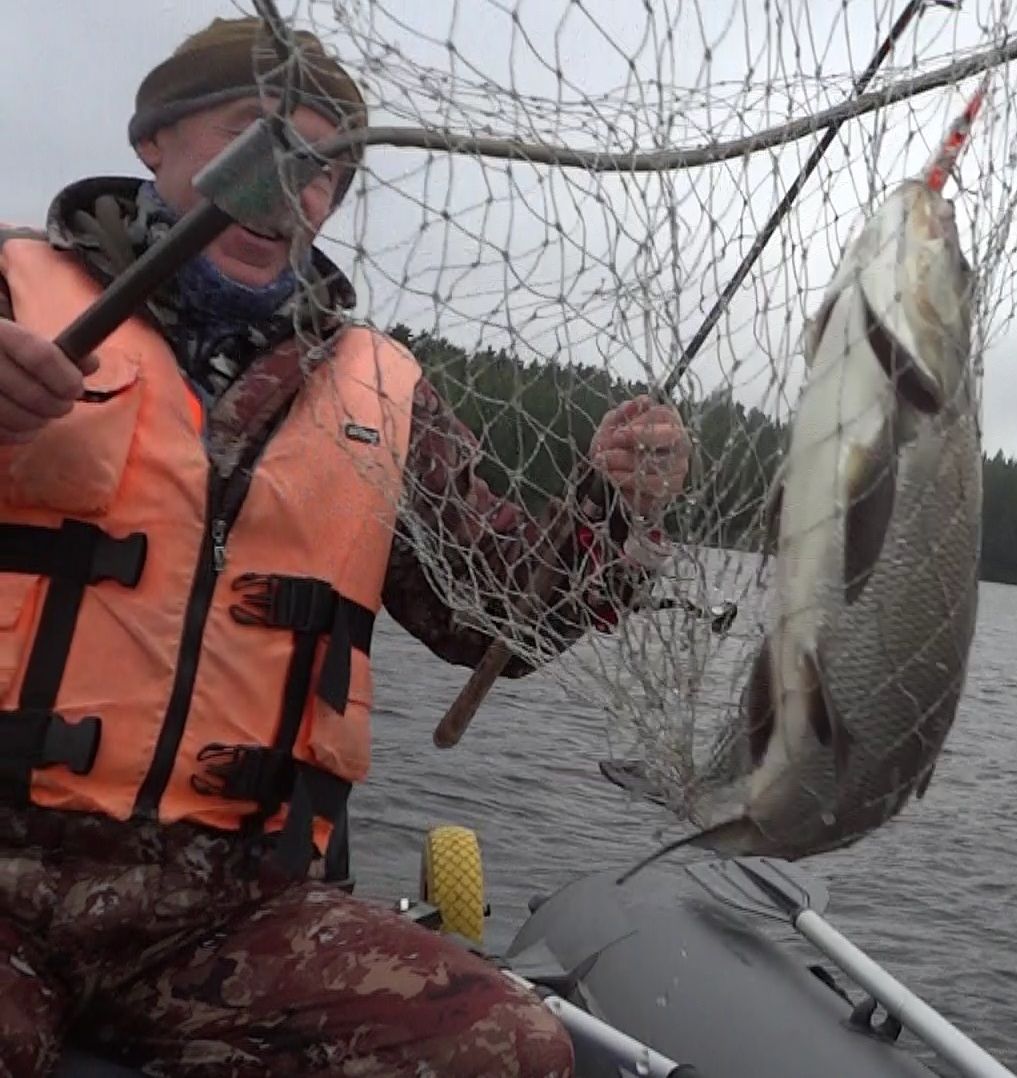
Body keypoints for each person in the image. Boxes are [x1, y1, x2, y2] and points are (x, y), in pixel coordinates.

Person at [0, 17, 693, 1077]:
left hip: (231, 911)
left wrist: (613, 505)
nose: (294, 189)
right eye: (258, 139)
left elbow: (494, 612)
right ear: (158, 142)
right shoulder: (14, 299)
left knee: (509, 1048)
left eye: (324, 172)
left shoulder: (384, 390)